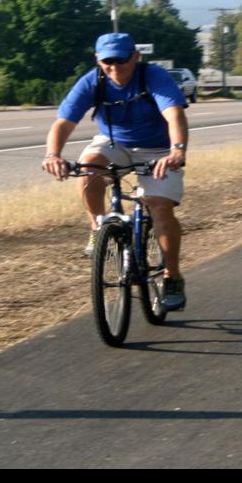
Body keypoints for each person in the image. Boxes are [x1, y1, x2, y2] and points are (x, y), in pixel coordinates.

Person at [42, 33, 190, 310]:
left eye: (121, 60)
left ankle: (172, 276)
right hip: (115, 144)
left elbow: (174, 114)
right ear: (98, 60)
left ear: (136, 56)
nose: (114, 67)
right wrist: (53, 155)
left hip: (159, 149)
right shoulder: (93, 81)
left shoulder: (153, 76)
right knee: (88, 169)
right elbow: (63, 123)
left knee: (159, 206)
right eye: (107, 61)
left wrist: (177, 150)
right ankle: (98, 228)